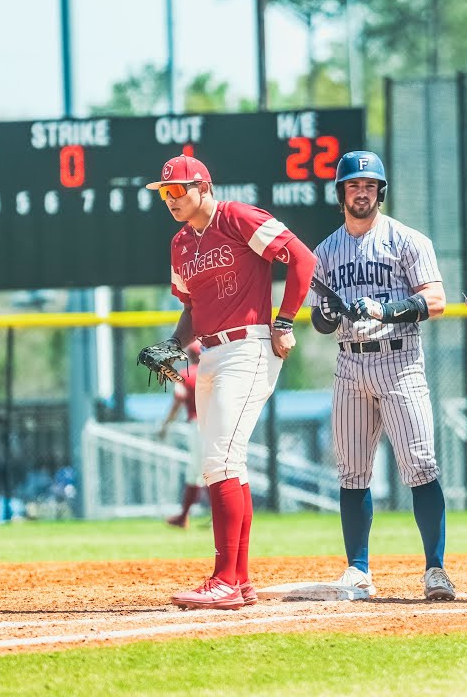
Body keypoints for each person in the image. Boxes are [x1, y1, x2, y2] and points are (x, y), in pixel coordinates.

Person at [143, 154, 314, 610]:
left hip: (249, 347)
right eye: (164, 193)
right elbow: (191, 310)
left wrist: (284, 321)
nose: (170, 199)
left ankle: (224, 580)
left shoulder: (236, 217)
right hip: (211, 353)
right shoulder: (180, 243)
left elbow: (303, 258)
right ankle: (240, 581)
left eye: (177, 190)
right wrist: (173, 345)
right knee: (224, 465)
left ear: (203, 187)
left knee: (220, 460)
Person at [308, 150, 456, 601]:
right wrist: (326, 315)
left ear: (380, 192)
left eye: (369, 186)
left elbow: (436, 300)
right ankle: (357, 569)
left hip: (399, 361)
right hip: (350, 364)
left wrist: (385, 309)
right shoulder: (325, 252)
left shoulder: (408, 241)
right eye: (354, 186)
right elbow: (318, 320)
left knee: (420, 465)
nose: (362, 193)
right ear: (341, 193)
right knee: (352, 471)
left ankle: (435, 569)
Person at [160, 340, 205, 529]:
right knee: (200, 471)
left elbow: (178, 399)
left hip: (198, 425)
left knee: (202, 470)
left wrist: (165, 425)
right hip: (218, 424)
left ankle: (189, 516)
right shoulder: (214, 372)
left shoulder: (186, 374)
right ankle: (184, 516)